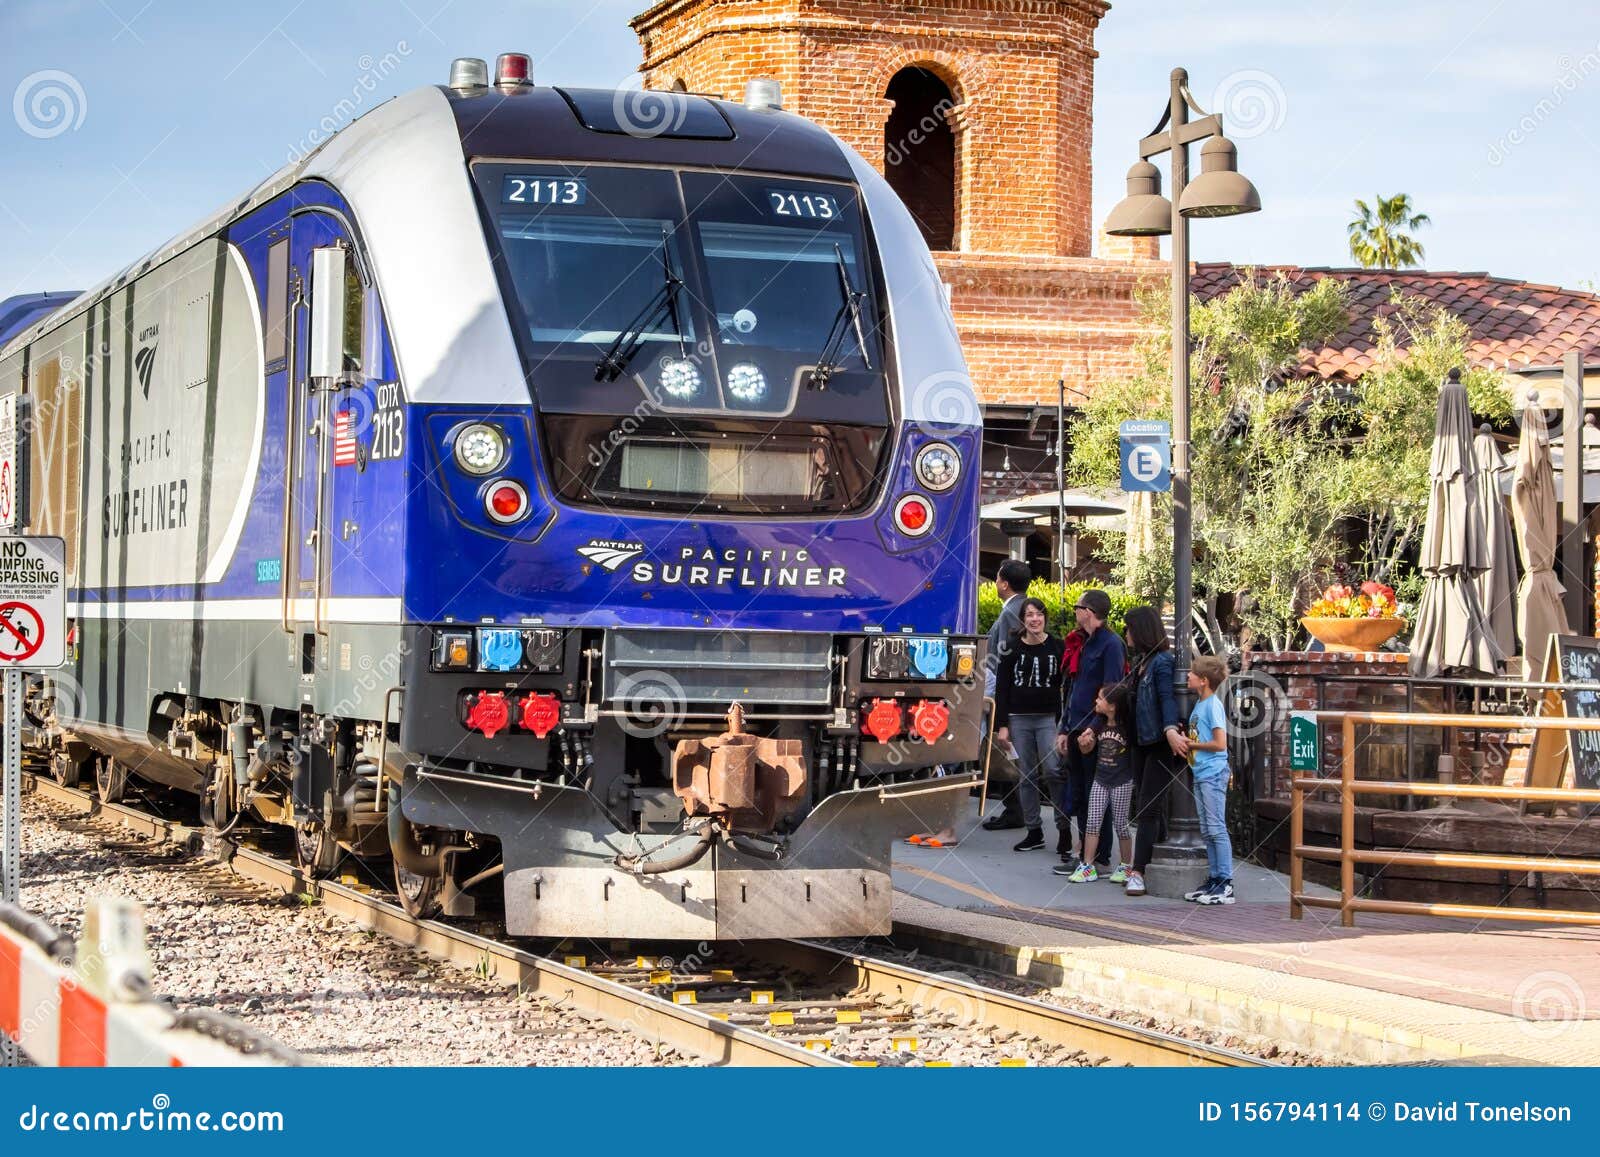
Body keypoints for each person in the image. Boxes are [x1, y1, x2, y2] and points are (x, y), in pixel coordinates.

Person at [1055, 589, 1125, 866]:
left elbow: (1112, 693)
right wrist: (1064, 727)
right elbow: (1074, 689)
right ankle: (1085, 850)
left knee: (1096, 795)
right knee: (1081, 793)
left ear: (1090, 611)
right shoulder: (1086, 642)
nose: (1075, 611)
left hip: (1092, 730)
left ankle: (1098, 854)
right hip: (1076, 726)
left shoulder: (1111, 645)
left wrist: (1094, 729)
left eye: (1078, 606)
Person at [1122, 605, 1185, 898]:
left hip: (1158, 743)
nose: (1126, 633)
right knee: (1148, 807)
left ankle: (1139, 870)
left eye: (1129, 628)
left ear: (1141, 630)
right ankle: (1154, 860)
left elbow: (1166, 698)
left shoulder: (1161, 662)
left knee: (1148, 807)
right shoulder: (1142, 661)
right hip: (1140, 743)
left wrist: (1170, 728)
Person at [992, 598, 1065, 852]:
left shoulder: (1058, 646)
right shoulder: (1011, 648)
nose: (1035, 619)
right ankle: (1034, 831)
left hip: (1048, 719)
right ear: (1023, 619)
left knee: (1054, 771)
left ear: (1045, 617)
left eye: (1039, 614)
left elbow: (1065, 686)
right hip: (1018, 718)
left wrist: (1063, 723)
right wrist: (1002, 725)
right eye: (1030, 615)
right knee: (1027, 776)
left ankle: (1064, 830)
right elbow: (1002, 689)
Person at [1056, 683, 1135, 882]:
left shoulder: (1127, 727)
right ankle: (1087, 865)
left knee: (1121, 825)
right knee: (1092, 823)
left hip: (1121, 781)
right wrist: (1085, 744)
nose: (1096, 701)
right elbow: (1087, 751)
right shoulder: (1098, 724)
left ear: (1113, 706)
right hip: (1101, 779)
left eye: (1100, 698)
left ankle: (1126, 865)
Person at [980, 559, 1035, 832]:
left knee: (1005, 751)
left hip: (1003, 689)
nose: (996, 583)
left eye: (998, 578)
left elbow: (1004, 657)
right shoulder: (1018, 608)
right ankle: (1016, 808)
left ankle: (1016, 809)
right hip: (1008, 689)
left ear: (1004, 583)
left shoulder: (1012, 612)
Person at [1175, 655, 1235, 905]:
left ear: (1203, 680)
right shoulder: (1200, 704)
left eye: (1191, 673)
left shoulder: (1212, 705)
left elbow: (1221, 744)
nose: (1186, 676)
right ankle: (1214, 878)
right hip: (1201, 773)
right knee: (1207, 830)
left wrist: (1192, 744)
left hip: (1212, 773)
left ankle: (1225, 883)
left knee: (1216, 828)